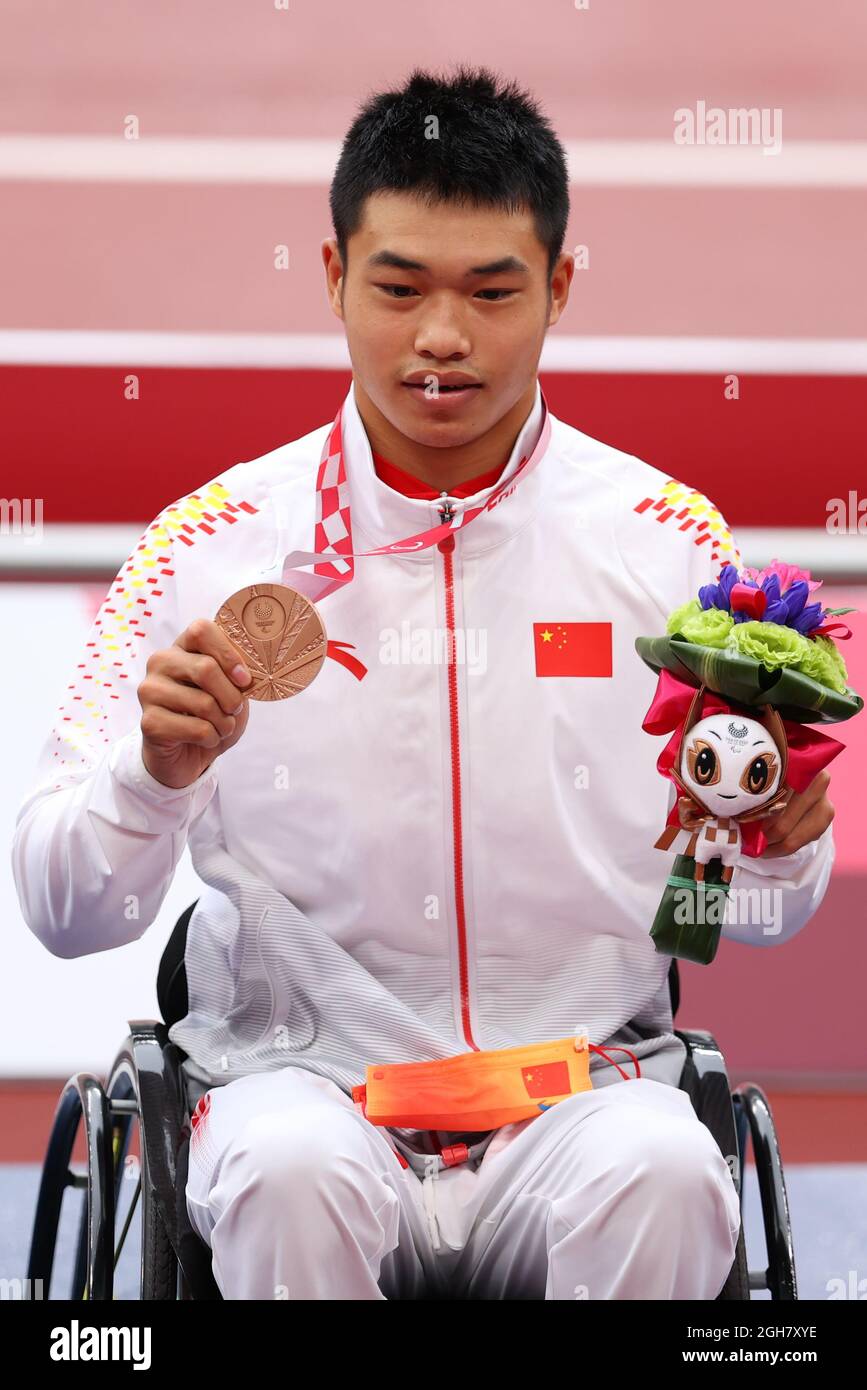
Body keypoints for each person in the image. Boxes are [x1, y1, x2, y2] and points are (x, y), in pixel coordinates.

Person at [12, 65, 835, 1300]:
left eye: (492, 292)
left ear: (559, 288)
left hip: (585, 1099)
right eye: (398, 287)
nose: (441, 337)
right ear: (335, 276)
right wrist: (154, 776)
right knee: (289, 1173)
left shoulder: (672, 545)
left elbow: (755, 910)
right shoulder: (205, 544)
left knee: (669, 1173)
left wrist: (777, 849)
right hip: (296, 1095)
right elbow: (62, 905)